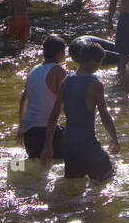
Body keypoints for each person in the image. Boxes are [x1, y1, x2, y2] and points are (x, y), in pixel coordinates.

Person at [40, 40, 119, 181]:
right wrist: (114, 139)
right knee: (108, 180)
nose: (99, 67)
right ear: (94, 61)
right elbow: (104, 115)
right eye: (99, 63)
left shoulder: (66, 81)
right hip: (88, 146)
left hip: (68, 145)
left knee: (73, 188)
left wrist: (47, 146)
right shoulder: (95, 85)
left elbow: (54, 115)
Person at [19, 35, 68, 161]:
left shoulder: (34, 70)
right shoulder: (58, 71)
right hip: (47, 135)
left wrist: (21, 127)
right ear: (59, 54)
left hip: (29, 135)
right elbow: (67, 104)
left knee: (39, 171)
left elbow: (23, 99)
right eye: (64, 53)